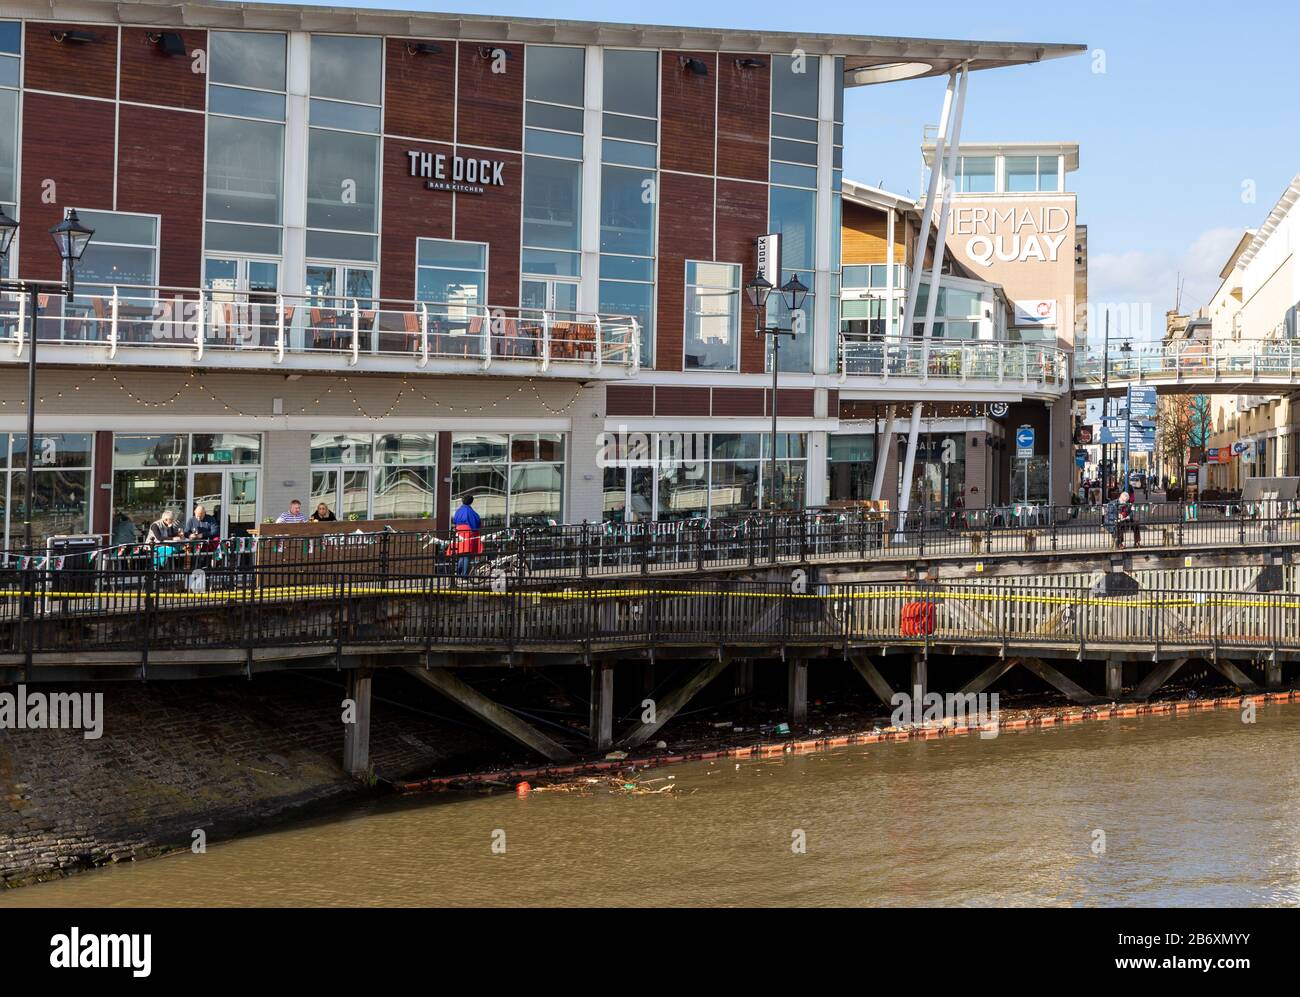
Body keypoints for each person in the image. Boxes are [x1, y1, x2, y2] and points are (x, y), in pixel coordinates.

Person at [451, 495, 483, 577]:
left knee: (462, 554)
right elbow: (476, 521)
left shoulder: (458, 510)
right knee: (466, 554)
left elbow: (454, 520)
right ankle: (464, 575)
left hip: (459, 532)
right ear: (471, 502)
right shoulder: (470, 511)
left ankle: (458, 573)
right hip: (468, 532)